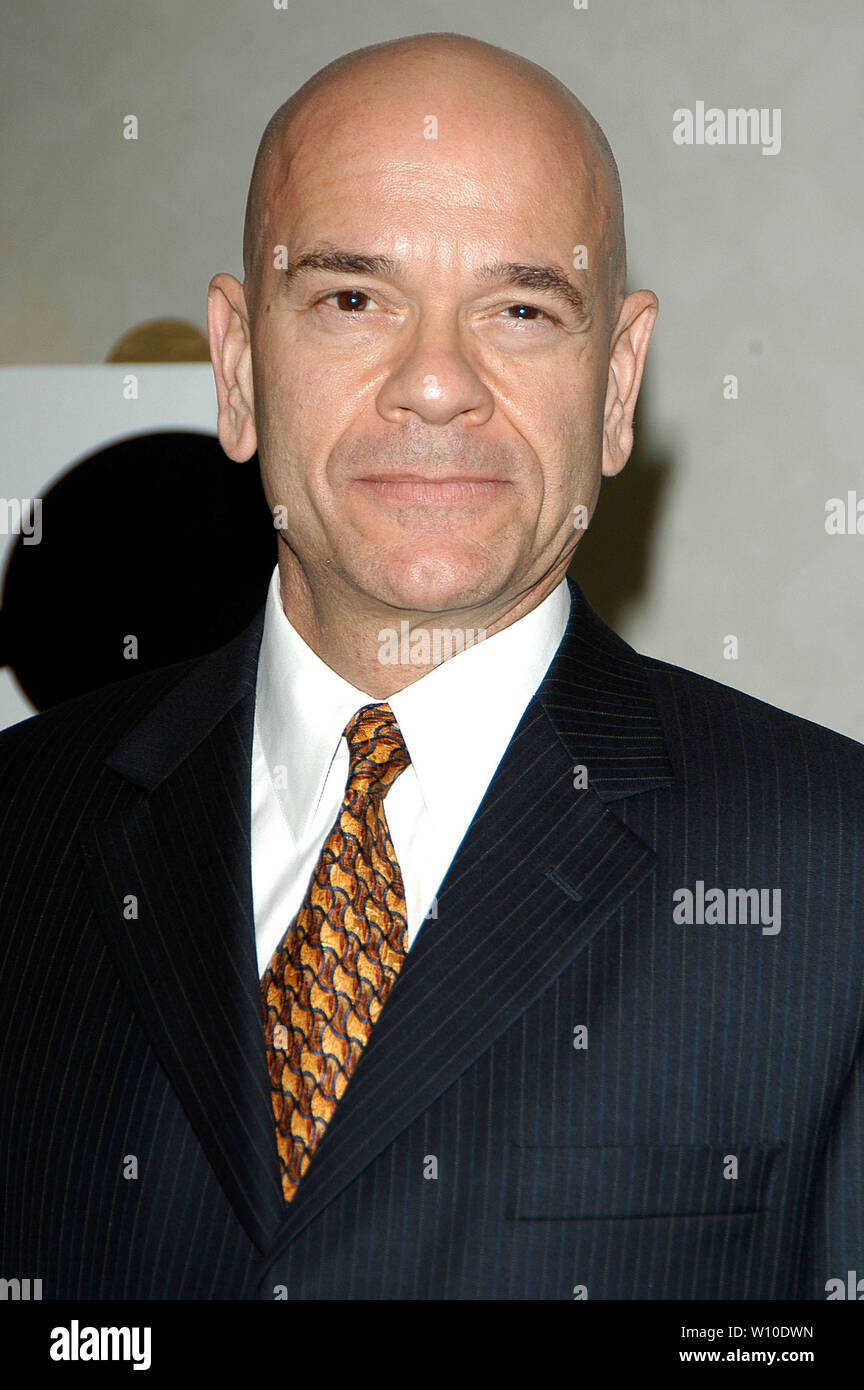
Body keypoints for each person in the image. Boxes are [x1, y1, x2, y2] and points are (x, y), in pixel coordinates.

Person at [0, 31, 861, 1302]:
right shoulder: (23, 826)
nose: (440, 383)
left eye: (520, 309)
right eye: (355, 298)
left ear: (618, 384)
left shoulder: (834, 880)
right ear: (238, 367)